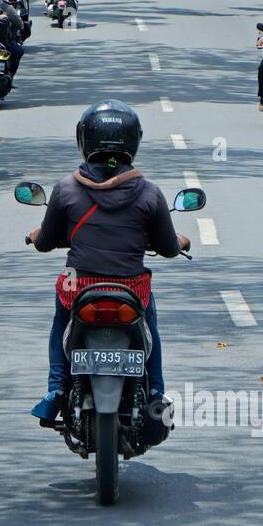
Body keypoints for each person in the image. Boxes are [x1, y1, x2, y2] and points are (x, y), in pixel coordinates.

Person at [27, 100, 189, 423]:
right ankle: (156, 393)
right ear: (133, 141)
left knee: (61, 319)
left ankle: (57, 389)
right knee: (151, 324)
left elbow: (45, 242)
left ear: (84, 139)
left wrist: (36, 236)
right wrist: (181, 241)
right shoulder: (150, 194)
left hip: (78, 288)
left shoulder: (66, 189)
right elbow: (170, 248)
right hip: (131, 290)